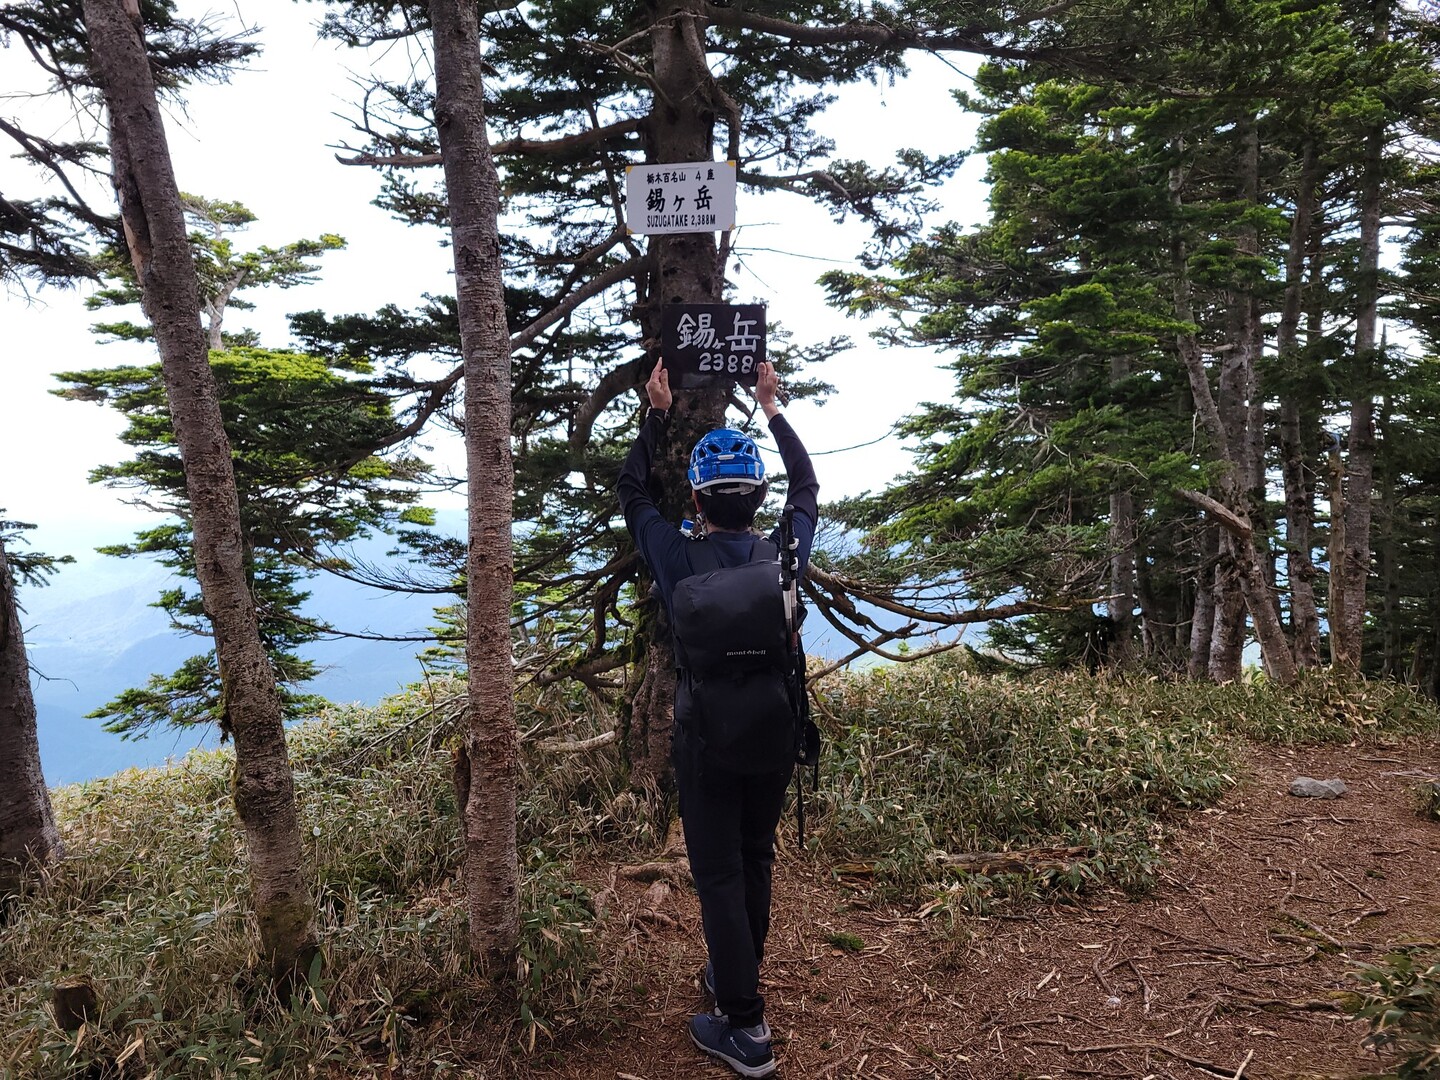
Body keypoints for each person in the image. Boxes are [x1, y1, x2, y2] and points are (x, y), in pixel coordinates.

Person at [617, 357, 819, 1079]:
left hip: (704, 738)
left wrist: (657, 414)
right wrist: (771, 408)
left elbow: (631, 490)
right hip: (774, 729)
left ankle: (743, 1024)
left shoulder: (676, 557)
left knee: (720, 876)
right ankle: (735, 983)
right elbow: (809, 485)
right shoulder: (785, 552)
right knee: (756, 859)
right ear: (757, 497)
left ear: (697, 500)